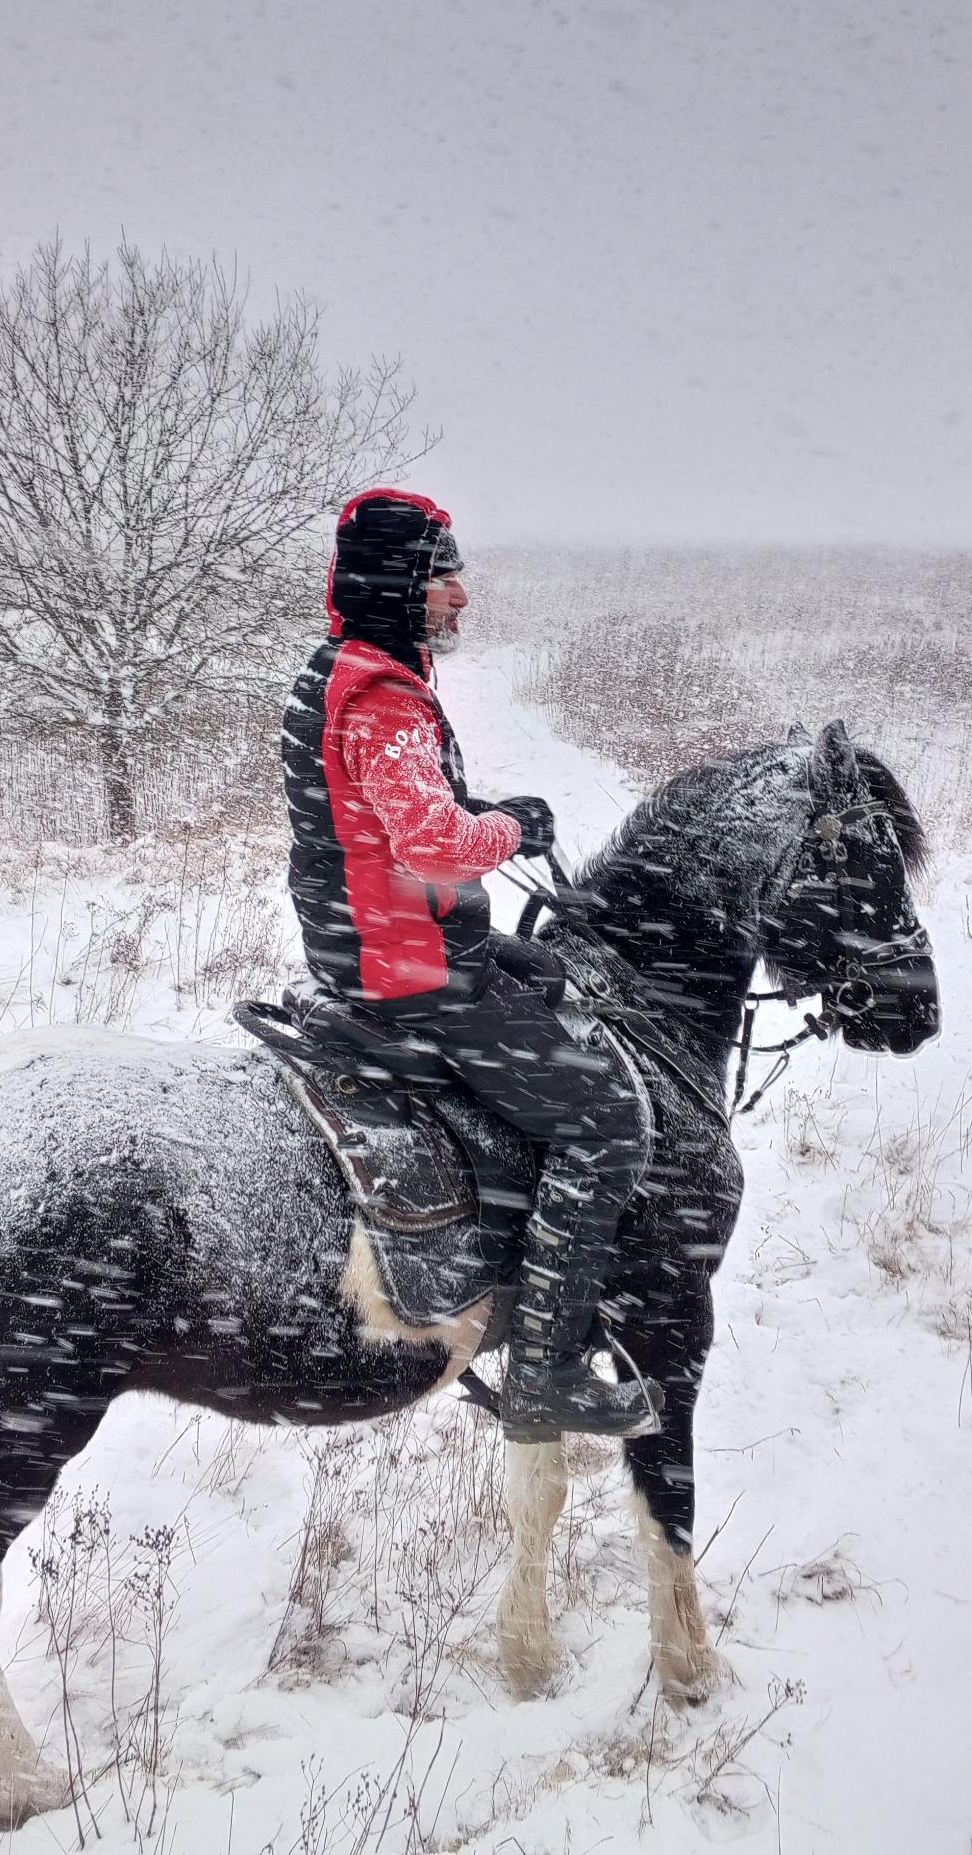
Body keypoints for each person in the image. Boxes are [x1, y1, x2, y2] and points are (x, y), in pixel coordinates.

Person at [282, 488, 658, 1441]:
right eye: (446, 576)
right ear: (402, 585)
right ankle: (546, 1370)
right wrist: (511, 825)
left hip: (384, 933)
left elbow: (388, 819)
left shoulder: (350, 670)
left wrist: (483, 813)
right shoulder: (381, 698)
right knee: (607, 1118)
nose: (461, 598)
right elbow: (433, 843)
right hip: (402, 965)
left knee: (540, 969)